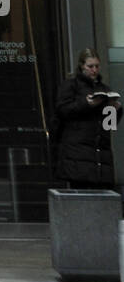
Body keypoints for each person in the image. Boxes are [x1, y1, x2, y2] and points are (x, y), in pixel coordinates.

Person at [52, 48, 123, 189]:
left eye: (97, 66)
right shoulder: (71, 86)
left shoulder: (105, 88)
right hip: (77, 152)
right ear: (81, 66)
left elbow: (109, 125)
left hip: (99, 155)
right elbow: (62, 111)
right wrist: (86, 103)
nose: (94, 70)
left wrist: (115, 110)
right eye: (90, 66)